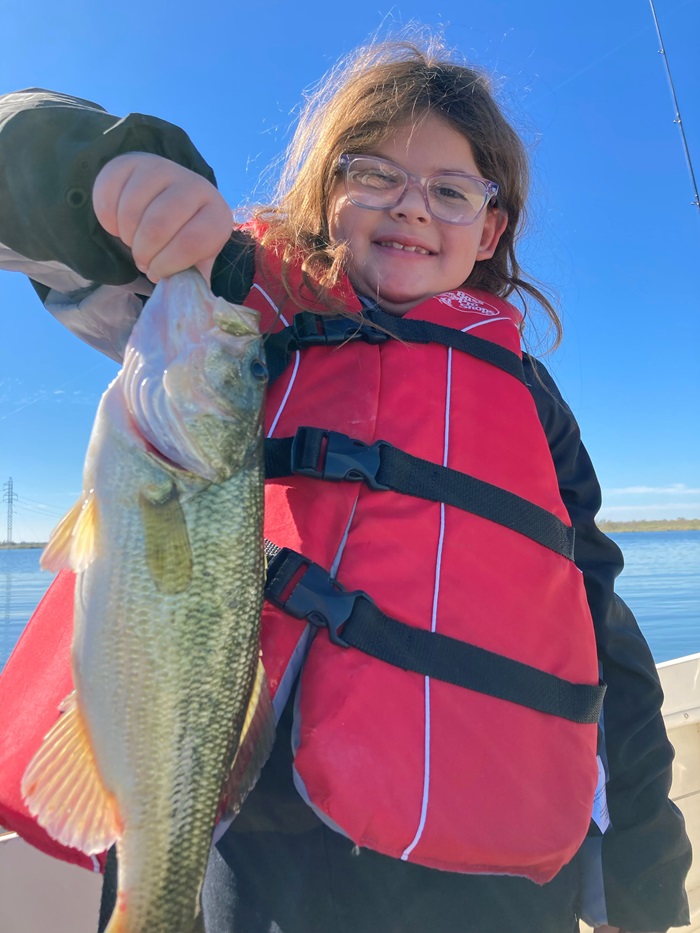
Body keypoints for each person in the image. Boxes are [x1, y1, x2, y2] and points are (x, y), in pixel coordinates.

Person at [0, 35, 692, 933]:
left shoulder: (527, 397)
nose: (412, 208)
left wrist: (644, 856)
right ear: (325, 195)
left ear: (490, 230)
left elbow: (598, 621)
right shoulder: (230, 306)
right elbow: (21, 173)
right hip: (259, 843)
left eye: (451, 190)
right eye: (374, 175)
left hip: (491, 873)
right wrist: (107, 173)